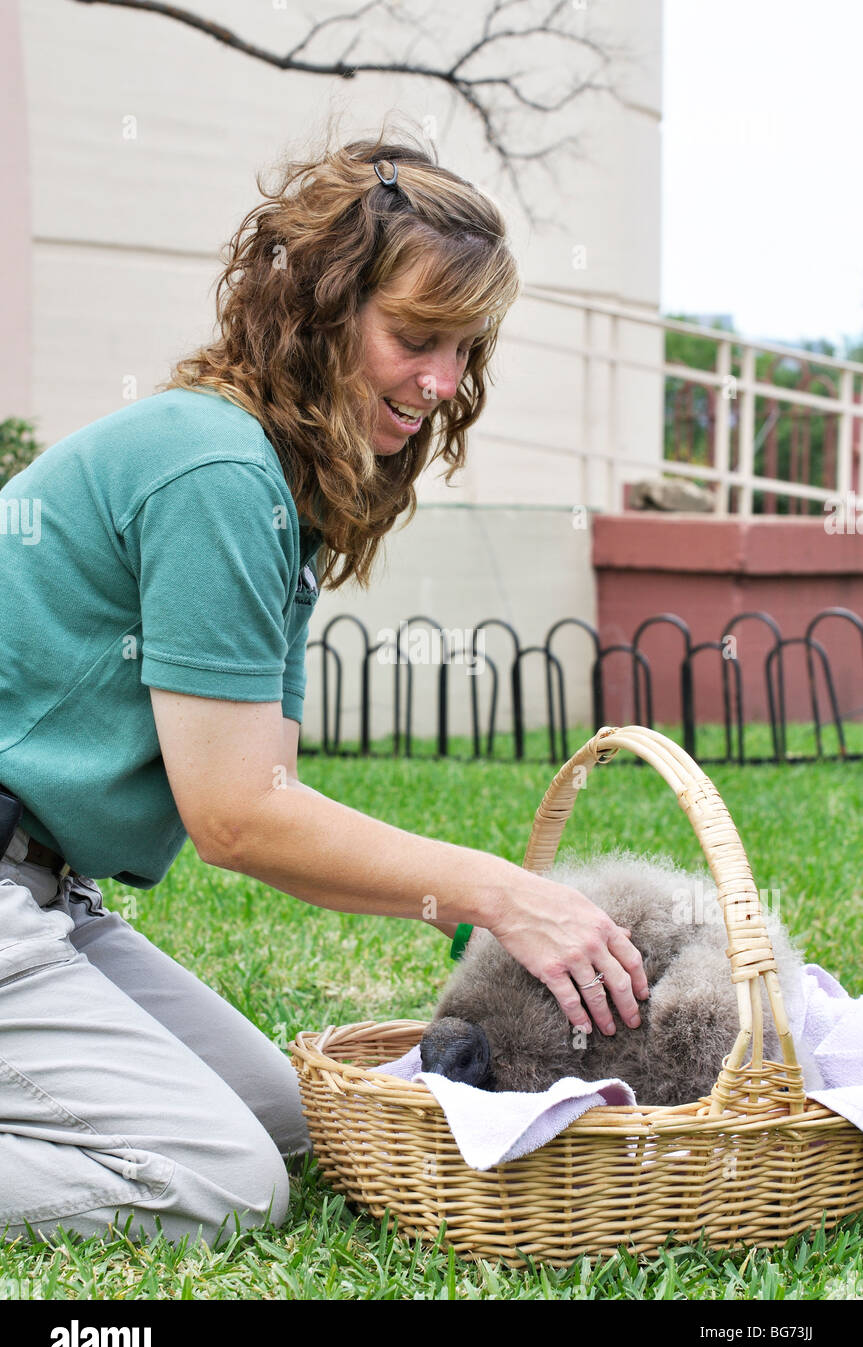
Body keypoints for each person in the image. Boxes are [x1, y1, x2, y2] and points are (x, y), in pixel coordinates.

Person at [0, 128, 649, 1247]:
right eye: (413, 335)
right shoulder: (211, 469)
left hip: (50, 892)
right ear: (321, 308)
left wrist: (460, 909)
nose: (440, 383)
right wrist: (495, 891)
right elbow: (235, 818)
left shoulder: (274, 500)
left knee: (294, 1126)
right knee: (218, 1182)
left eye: (462, 348)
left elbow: (272, 794)